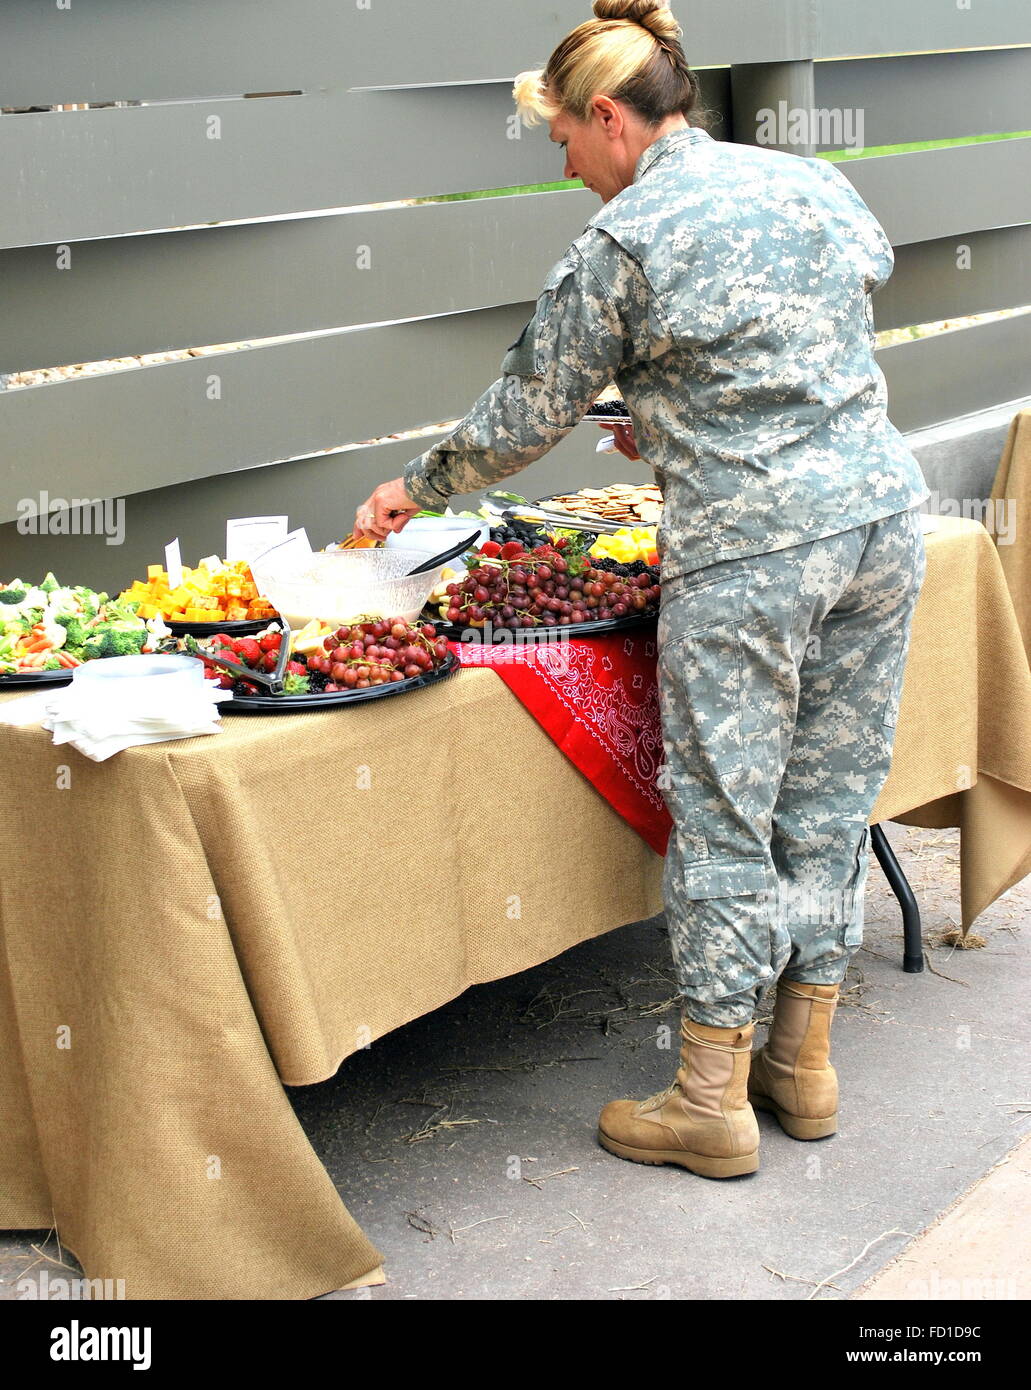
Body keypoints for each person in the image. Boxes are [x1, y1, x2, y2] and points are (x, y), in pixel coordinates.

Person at [353, 0, 928, 1179]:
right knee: (827, 801)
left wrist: (417, 485)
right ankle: (801, 1066)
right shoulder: (807, 180)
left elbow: (524, 417)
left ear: (609, 117)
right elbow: (842, 292)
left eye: (563, 137)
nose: (564, 165)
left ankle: (707, 1100)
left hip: (751, 552)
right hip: (878, 522)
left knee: (723, 816)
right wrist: (672, 411)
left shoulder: (620, 243)